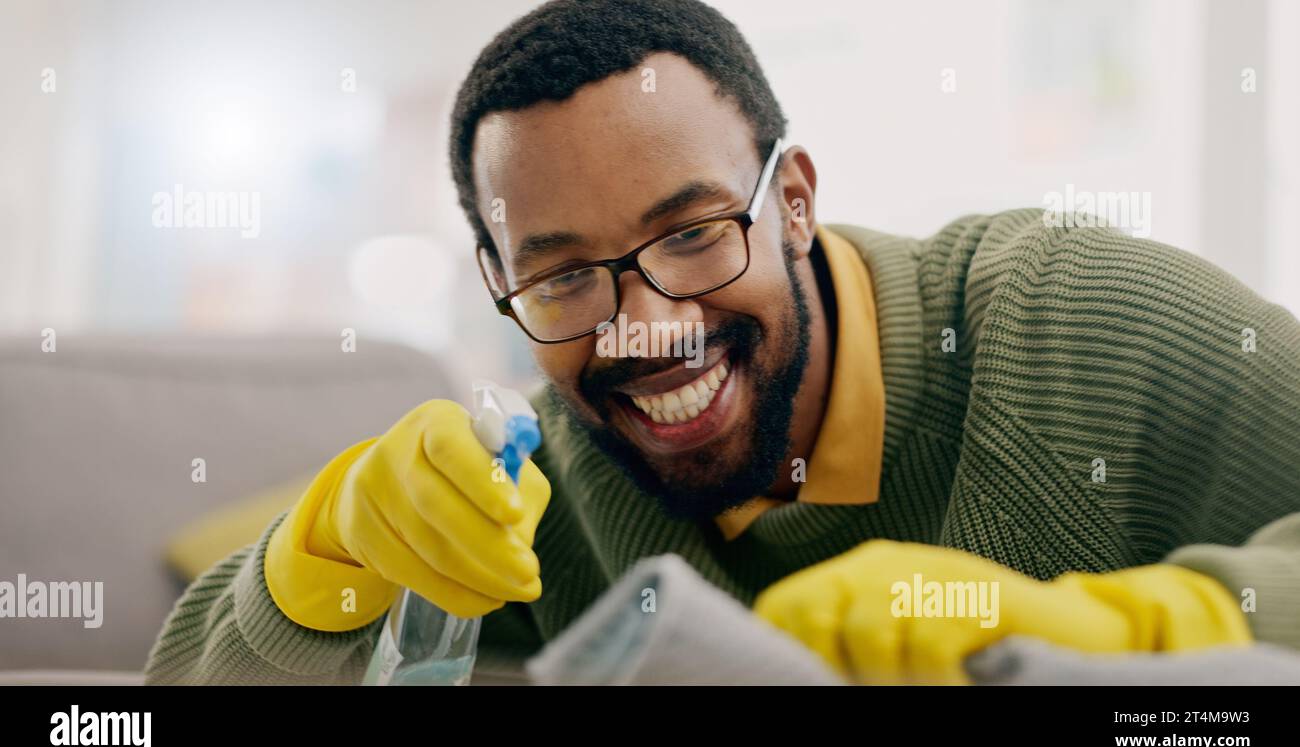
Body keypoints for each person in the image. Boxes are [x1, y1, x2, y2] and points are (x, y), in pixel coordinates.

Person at [145, 0, 1300, 685]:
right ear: (500, 286)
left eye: (693, 233)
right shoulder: (534, 495)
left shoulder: (1068, 315)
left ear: (793, 200)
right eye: (562, 275)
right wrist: (324, 560)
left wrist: (1138, 630)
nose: (645, 324)